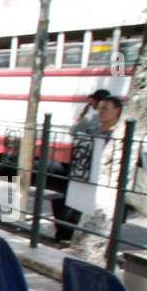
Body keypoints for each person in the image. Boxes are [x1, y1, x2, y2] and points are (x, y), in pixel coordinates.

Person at [57, 94, 124, 244]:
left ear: (117, 111)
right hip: (85, 177)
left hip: (106, 181)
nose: (101, 111)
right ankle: (73, 237)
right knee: (78, 207)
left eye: (105, 108)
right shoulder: (92, 129)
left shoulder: (119, 133)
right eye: (99, 108)